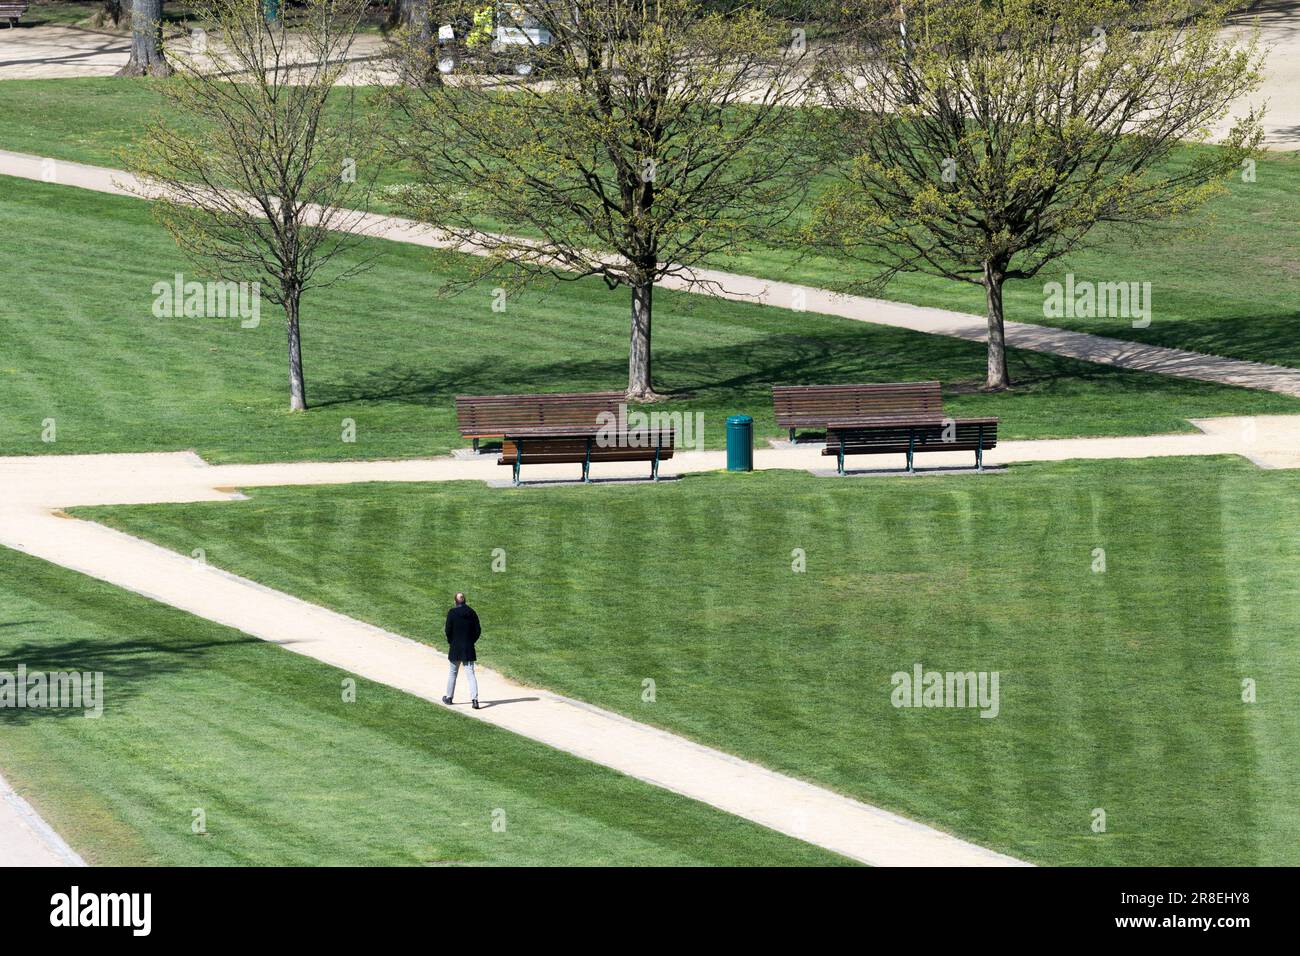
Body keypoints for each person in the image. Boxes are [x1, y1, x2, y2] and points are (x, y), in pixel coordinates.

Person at [442, 592, 481, 709]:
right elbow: (478, 630)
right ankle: (475, 700)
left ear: (455, 602)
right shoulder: (472, 613)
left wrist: (451, 642)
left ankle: (449, 698)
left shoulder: (452, 613)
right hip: (468, 648)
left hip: (455, 647)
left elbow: (447, 630)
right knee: (471, 674)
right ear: (465, 601)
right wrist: (471, 641)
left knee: (453, 673)